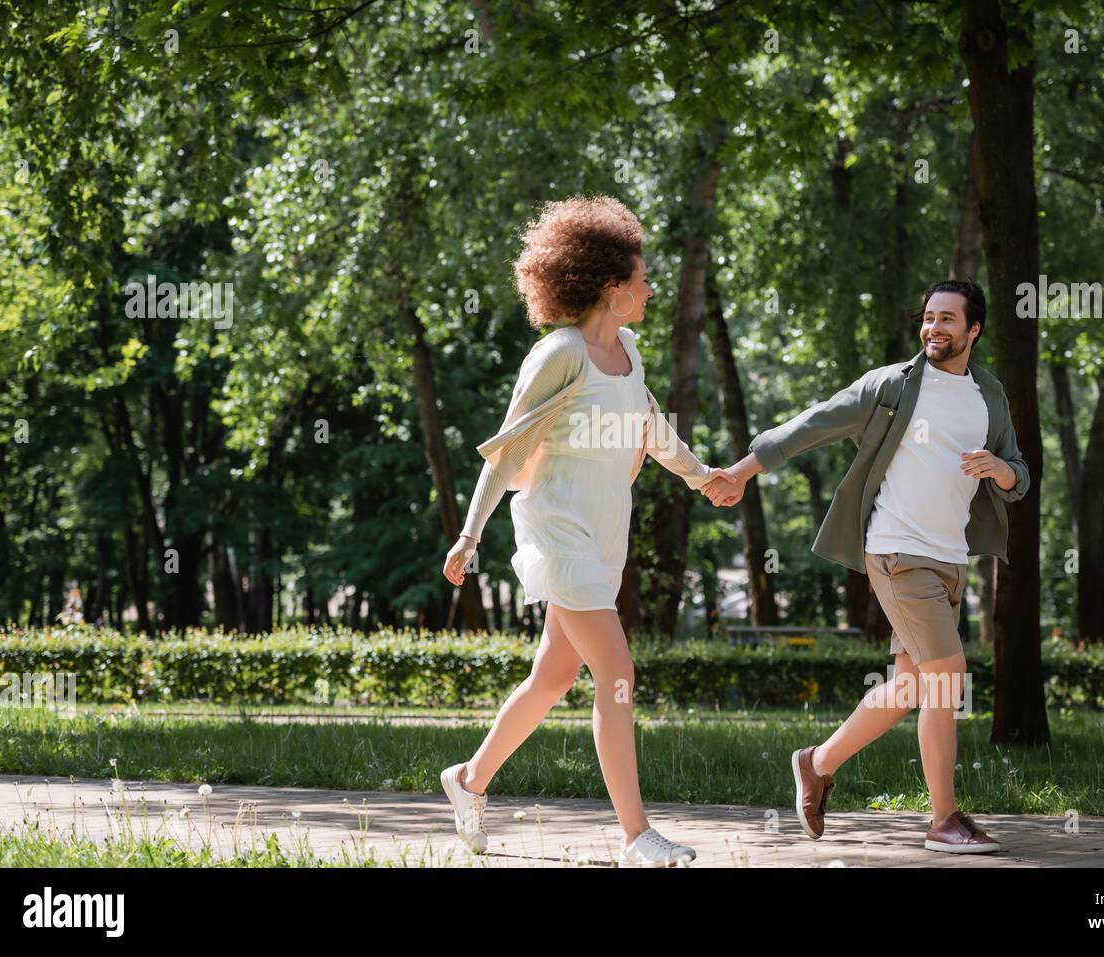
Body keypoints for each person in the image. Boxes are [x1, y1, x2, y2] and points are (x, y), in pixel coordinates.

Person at [441, 195, 722, 867]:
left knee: (551, 676)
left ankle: (469, 778)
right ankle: (636, 835)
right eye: (643, 277)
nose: (651, 287)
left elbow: (652, 428)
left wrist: (703, 475)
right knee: (616, 671)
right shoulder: (558, 353)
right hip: (557, 529)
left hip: (604, 535)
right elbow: (507, 450)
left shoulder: (626, 350)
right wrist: (468, 534)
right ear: (610, 285)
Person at [704, 278, 1029, 854]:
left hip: (951, 556)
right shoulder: (891, 387)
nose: (934, 328)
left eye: (948, 319)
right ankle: (943, 820)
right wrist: (740, 472)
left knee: (909, 685)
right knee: (948, 679)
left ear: (973, 329)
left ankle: (816, 762)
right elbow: (812, 423)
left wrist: (1001, 472)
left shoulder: (989, 395)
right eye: (929, 317)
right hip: (897, 551)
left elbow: (1018, 472)